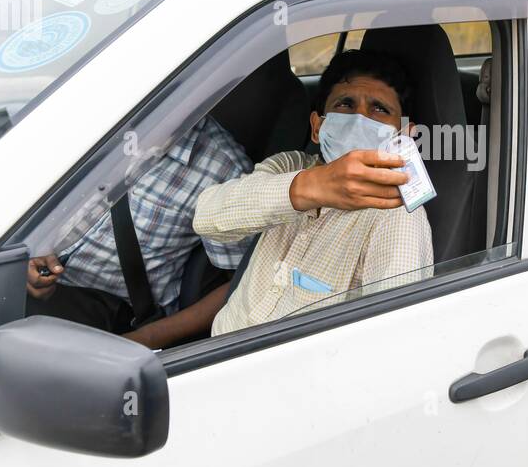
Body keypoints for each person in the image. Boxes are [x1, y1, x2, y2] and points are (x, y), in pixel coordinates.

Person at [195, 50, 433, 336]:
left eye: (379, 109)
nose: (359, 118)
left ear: (404, 136)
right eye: (346, 104)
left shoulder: (396, 213)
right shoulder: (290, 165)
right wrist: (310, 187)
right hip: (215, 348)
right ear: (317, 127)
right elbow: (207, 218)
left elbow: (393, 334)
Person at [26, 115, 253, 349]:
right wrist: (30, 259)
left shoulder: (223, 171)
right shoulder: (84, 120)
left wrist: (146, 338)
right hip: (34, 282)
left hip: (115, 319)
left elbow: (245, 283)